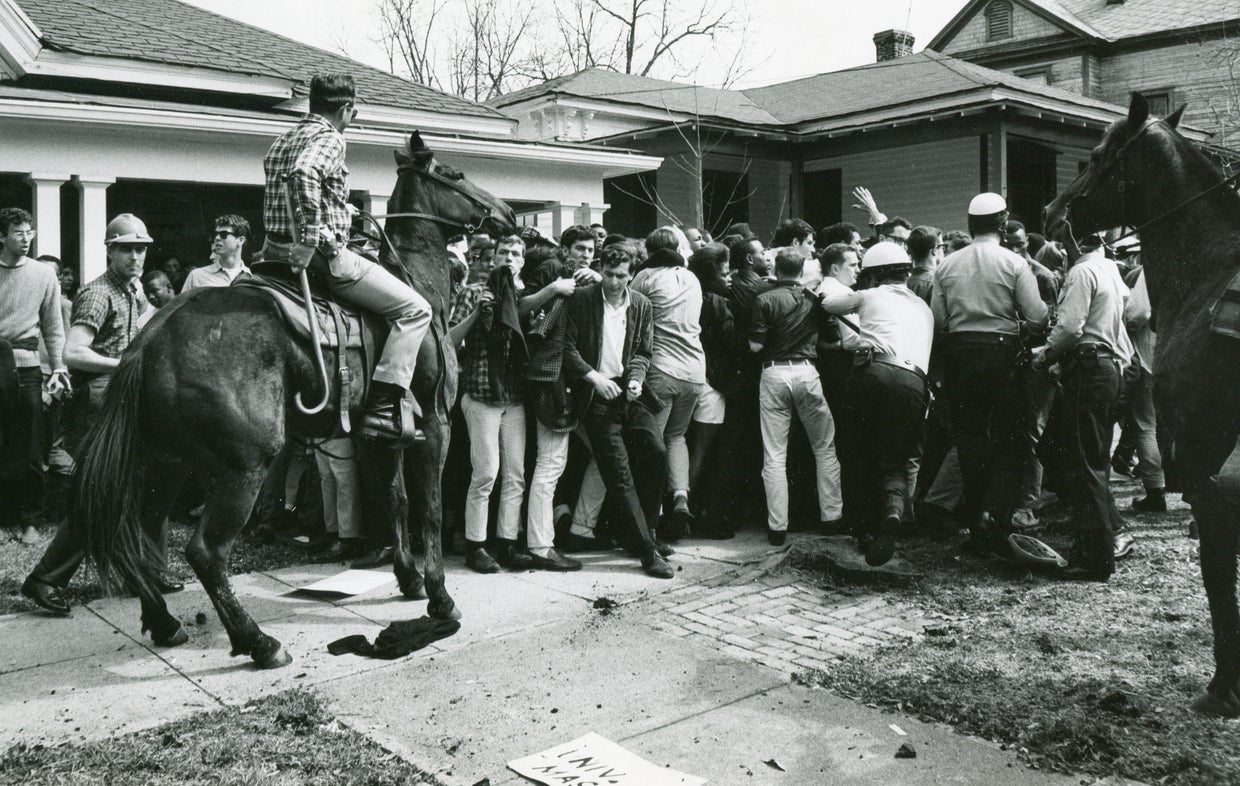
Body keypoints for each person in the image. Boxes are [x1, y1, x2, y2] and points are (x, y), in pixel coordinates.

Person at [23, 213, 182, 616]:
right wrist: (124, 364)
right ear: (110, 251)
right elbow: (73, 352)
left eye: (141, 249)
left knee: (149, 483)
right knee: (101, 494)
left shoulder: (133, 290)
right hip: (97, 401)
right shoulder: (98, 293)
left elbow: (149, 322)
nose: (135, 257)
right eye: (127, 249)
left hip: (124, 399)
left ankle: (147, 569)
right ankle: (45, 579)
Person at [261, 73, 432, 446]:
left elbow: (296, 183)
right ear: (346, 109)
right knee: (417, 310)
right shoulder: (330, 137)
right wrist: (310, 239)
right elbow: (305, 173)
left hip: (272, 251)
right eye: (353, 112)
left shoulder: (284, 137)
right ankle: (386, 408)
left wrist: (341, 210)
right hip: (320, 257)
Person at [931, 193, 1048, 552]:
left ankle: (972, 517)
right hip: (1002, 353)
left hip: (960, 355)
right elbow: (1037, 316)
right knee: (1012, 439)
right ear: (1004, 222)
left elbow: (937, 319)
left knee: (969, 439)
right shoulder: (1013, 263)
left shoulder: (947, 265)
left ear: (969, 225)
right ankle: (994, 517)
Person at [562, 243, 674, 579]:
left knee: (656, 451)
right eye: (609, 274)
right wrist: (594, 378)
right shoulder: (582, 299)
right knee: (618, 471)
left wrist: (637, 379)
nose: (613, 282)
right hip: (595, 396)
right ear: (601, 269)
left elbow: (643, 350)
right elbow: (566, 348)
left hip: (627, 392)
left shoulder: (640, 304)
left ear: (631, 274)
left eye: (621, 276)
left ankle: (648, 531)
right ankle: (647, 552)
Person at [821, 242, 933, 566]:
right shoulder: (923, 308)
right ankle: (894, 512)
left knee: (855, 451)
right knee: (895, 458)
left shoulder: (869, 295)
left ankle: (862, 529)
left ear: (873, 276)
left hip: (873, 371)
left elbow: (830, 304)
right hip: (914, 381)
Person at [1032, 234, 1134, 580]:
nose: (1060, 250)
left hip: (1088, 368)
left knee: (1082, 463)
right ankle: (1104, 543)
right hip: (1108, 368)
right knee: (1096, 459)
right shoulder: (1110, 269)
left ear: (1075, 242)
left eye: (1063, 243)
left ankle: (1095, 557)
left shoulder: (1081, 272)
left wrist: (1045, 354)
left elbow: (1070, 328)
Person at [749, 248, 844, 546]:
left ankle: (777, 527)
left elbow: (754, 346)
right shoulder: (814, 300)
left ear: (776, 270)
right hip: (807, 371)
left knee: (775, 454)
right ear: (802, 271)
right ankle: (832, 518)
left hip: (774, 372)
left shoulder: (763, 299)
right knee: (824, 448)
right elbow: (833, 338)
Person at [631, 227, 706, 539]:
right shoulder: (692, 278)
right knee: (677, 437)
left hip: (661, 369)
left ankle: (654, 516)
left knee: (654, 443)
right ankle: (680, 498)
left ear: (649, 251)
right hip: (695, 370)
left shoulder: (645, 278)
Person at [0, 209, 67, 547]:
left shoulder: (44, 275)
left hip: (26, 368)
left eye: (30, 232)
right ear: (2, 236)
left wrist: (57, 368)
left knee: (29, 448)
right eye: (17, 232)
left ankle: (31, 521)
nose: (26, 239)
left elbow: (54, 329)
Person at [686, 243, 737, 537]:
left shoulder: (686, 298)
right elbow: (731, 344)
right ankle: (694, 508)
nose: (729, 278)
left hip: (688, 376)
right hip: (711, 382)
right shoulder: (718, 304)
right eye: (725, 273)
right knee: (704, 450)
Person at [182, 215, 252, 291]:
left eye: (223, 234)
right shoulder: (197, 277)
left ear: (241, 240)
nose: (217, 238)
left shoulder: (252, 277)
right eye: (216, 234)